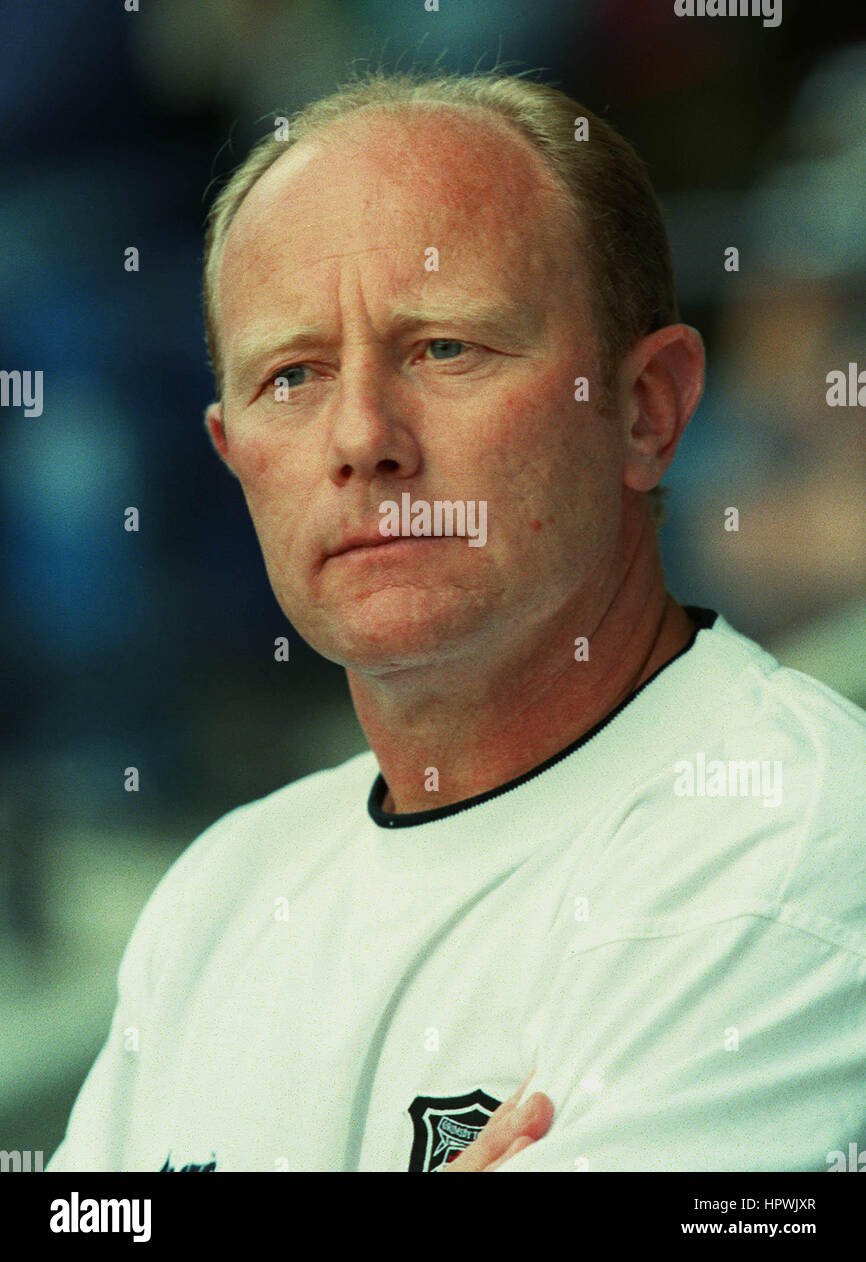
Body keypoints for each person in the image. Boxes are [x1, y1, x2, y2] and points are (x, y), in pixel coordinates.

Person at [48, 70, 866, 1172]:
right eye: (291, 376)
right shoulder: (219, 893)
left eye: (442, 348)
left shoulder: (794, 843)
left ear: (646, 409)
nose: (360, 437)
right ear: (230, 456)